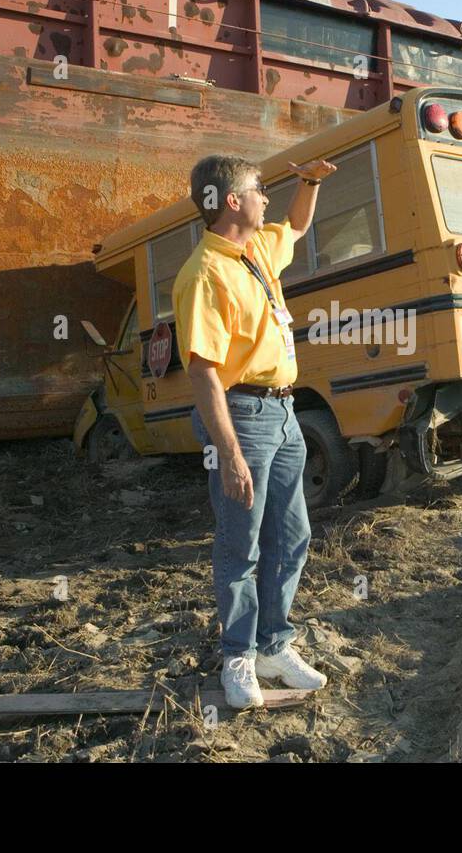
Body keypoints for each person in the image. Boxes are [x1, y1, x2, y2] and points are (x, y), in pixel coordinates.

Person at [172, 153, 338, 708]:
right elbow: (202, 373)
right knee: (240, 544)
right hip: (241, 416)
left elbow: (296, 224)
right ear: (233, 201)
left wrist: (310, 182)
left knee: (292, 538)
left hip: (285, 413)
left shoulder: (257, 249)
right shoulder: (203, 273)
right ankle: (238, 656)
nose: (268, 198)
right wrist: (231, 454)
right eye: (259, 190)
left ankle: (273, 644)